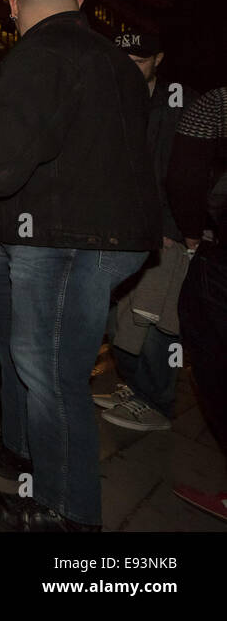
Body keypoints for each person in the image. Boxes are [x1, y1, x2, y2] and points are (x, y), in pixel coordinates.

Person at [0, 0, 160, 531]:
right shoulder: (114, 62)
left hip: (63, 241)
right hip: (81, 233)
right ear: (80, 3)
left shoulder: (42, 52)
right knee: (4, 324)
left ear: (12, 6)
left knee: (52, 370)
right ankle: (20, 449)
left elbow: (14, 138)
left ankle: (69, 511)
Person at [94, 32, 196, 431]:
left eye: (138, 60)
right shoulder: (112, 95)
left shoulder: (179, 101)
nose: (129, 67)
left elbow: (186, 168)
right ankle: (135, 387)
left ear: (159, 59)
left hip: (164, 229)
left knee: (158, 315)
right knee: (126, 314)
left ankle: (158, 400)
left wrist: (173, 224)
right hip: (120, 224)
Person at [166, 86, 227, 521]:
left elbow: (184, 175)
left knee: (215, 363)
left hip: (221, 253)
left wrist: (191, 230)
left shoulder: (216, 103)